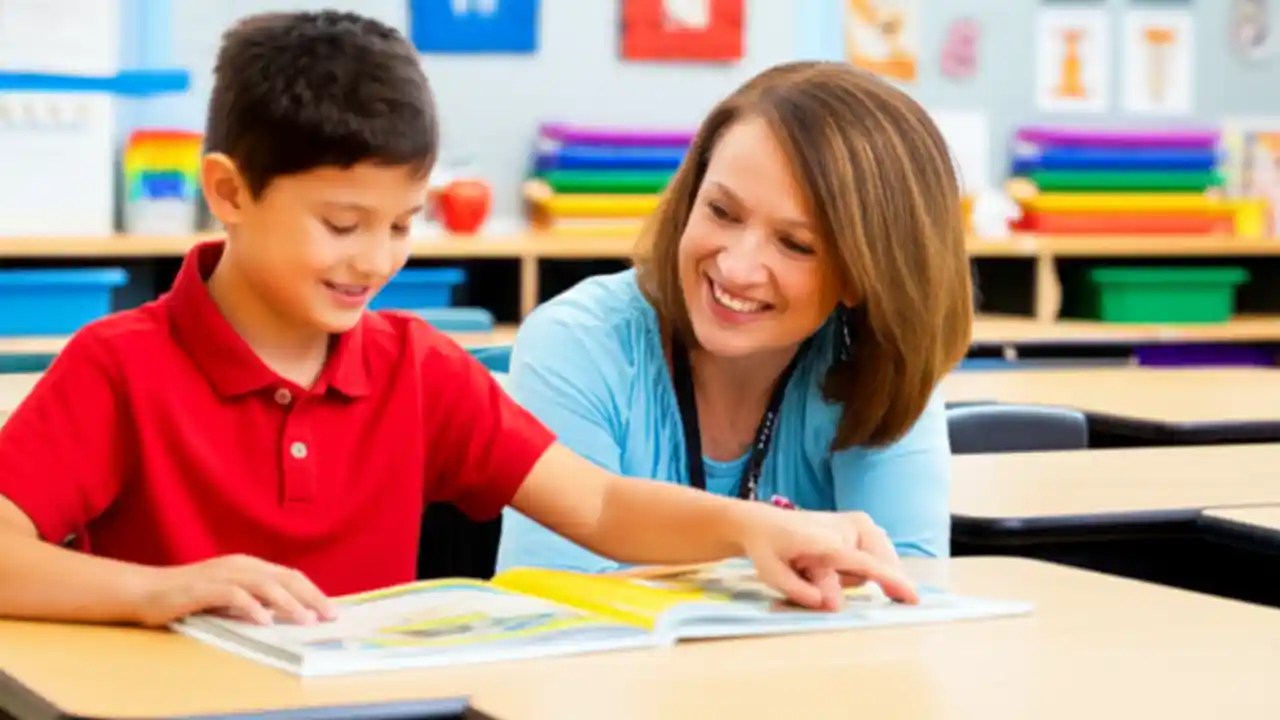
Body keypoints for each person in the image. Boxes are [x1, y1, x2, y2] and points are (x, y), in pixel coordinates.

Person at [0, 14, 917, 629]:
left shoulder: (418, 367)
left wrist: (747, 529)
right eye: (342, 225)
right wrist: (160, 592)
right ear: (230, 193)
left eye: (403, 225)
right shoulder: (119, 366)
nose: (376, 260)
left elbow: (596, 502)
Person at [496, 61, 973, 575]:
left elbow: (907, 598)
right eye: (722, 212)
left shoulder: (879, 364)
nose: (736, 268)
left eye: (796, 244)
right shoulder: (577, 344)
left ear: (864, 275)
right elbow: (555, 605)